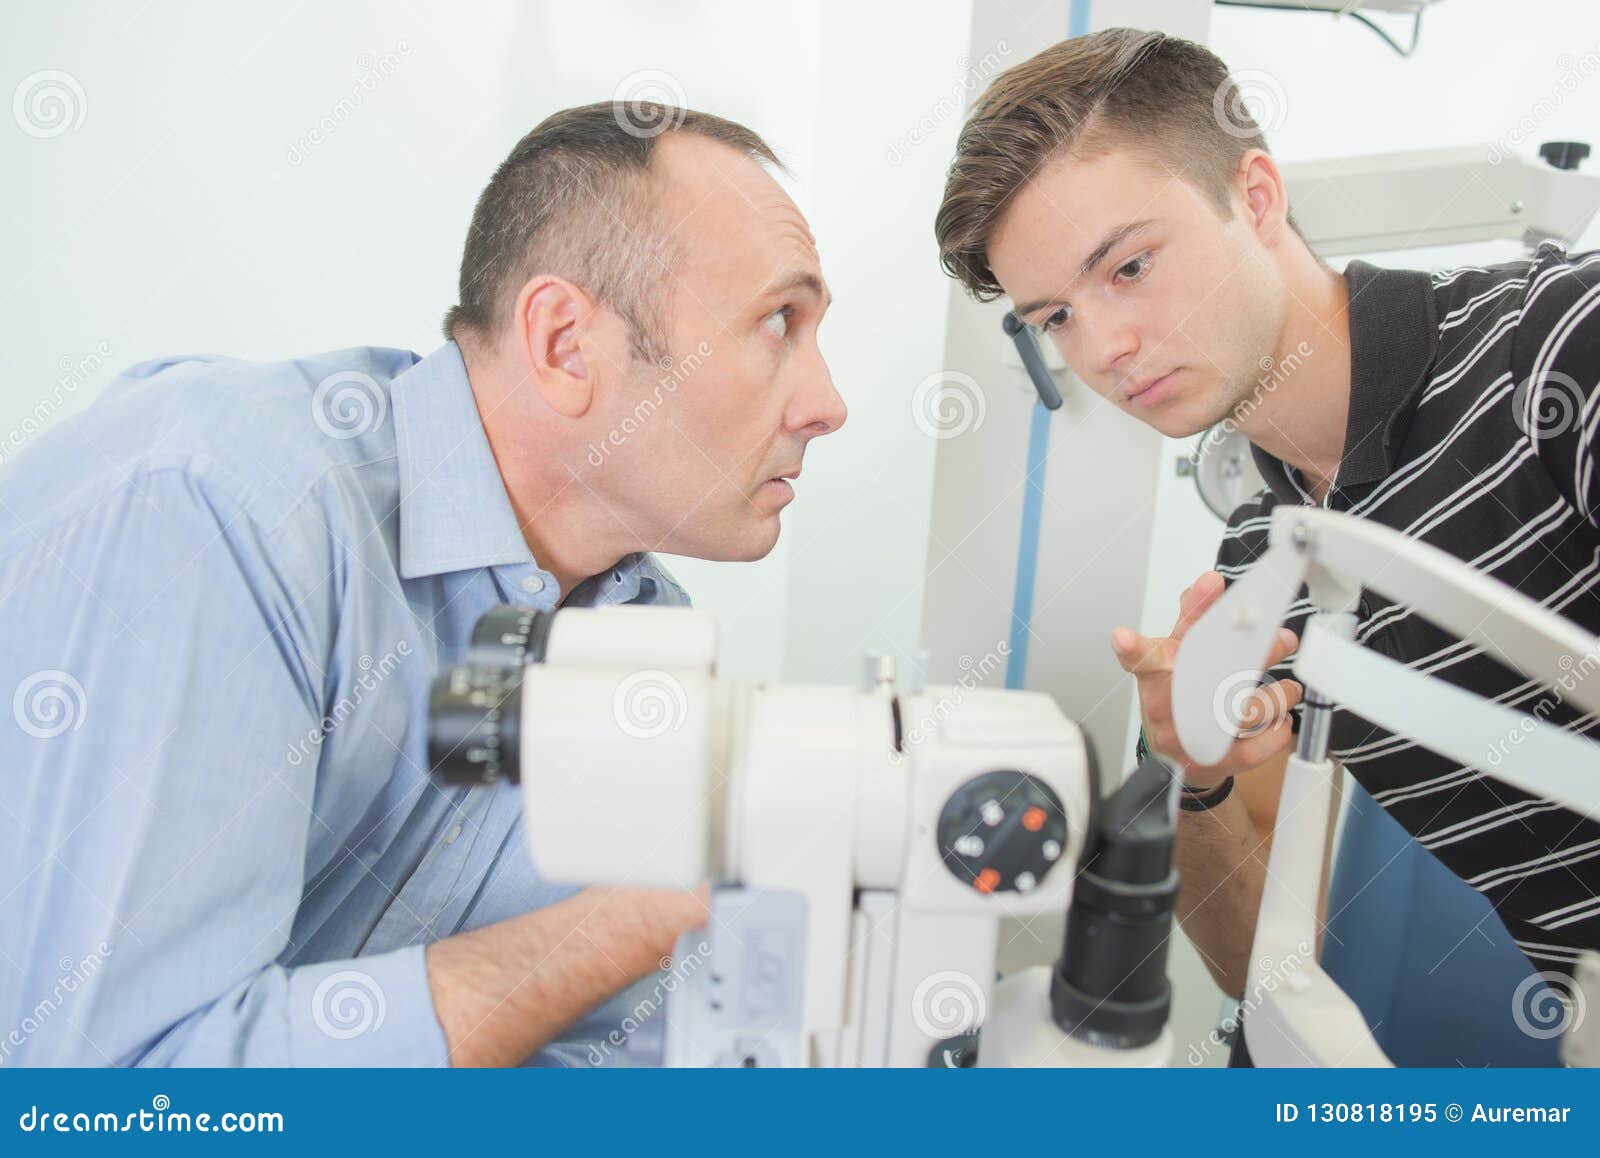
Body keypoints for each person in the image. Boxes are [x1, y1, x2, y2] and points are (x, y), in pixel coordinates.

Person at [0, 101, 845, 1066]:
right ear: (567, 344)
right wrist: (628, 924)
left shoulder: (640, 637)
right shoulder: (224, 511)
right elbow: (107, 1102)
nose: (828, 403)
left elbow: (625, 1055)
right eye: (780, 321)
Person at [934, 28, 1600, 1007]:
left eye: (1127, 268)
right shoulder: (1260, 568)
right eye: (1055, 319)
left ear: (1254, 198)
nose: (1106, 347)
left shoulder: (1555, 351)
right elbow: (1267, 974)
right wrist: (1191, 776)